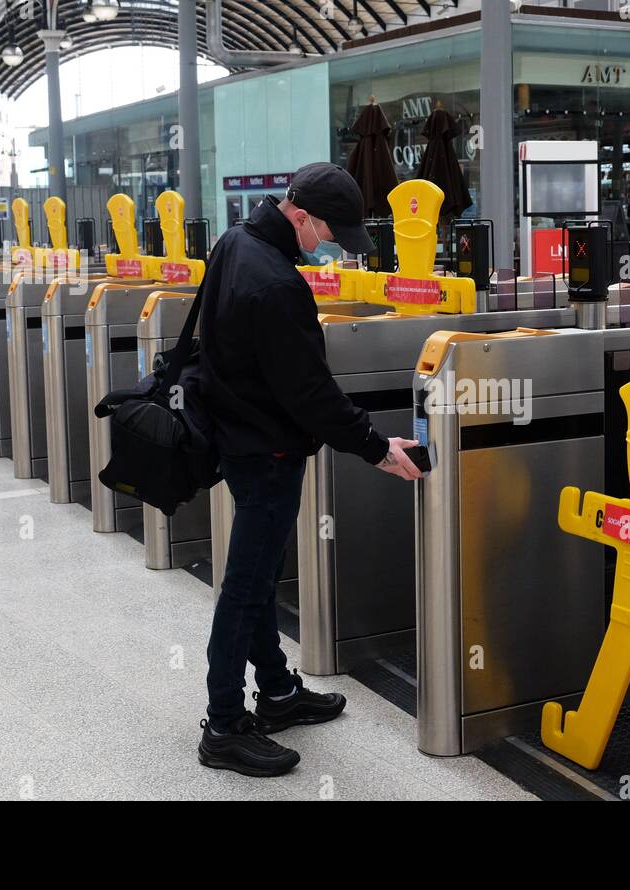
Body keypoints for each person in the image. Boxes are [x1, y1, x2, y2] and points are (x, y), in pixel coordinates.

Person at [196, 162, 424, 778]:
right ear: (300, 215)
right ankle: (223, 726)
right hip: (266, 450)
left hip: (239, 438)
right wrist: (376, 448)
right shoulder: (275, 283)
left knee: (260, 572)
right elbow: (311, 395)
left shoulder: (235, 242)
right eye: (327, 233)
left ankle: (274, 691)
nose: (328, 246)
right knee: (246, 584)